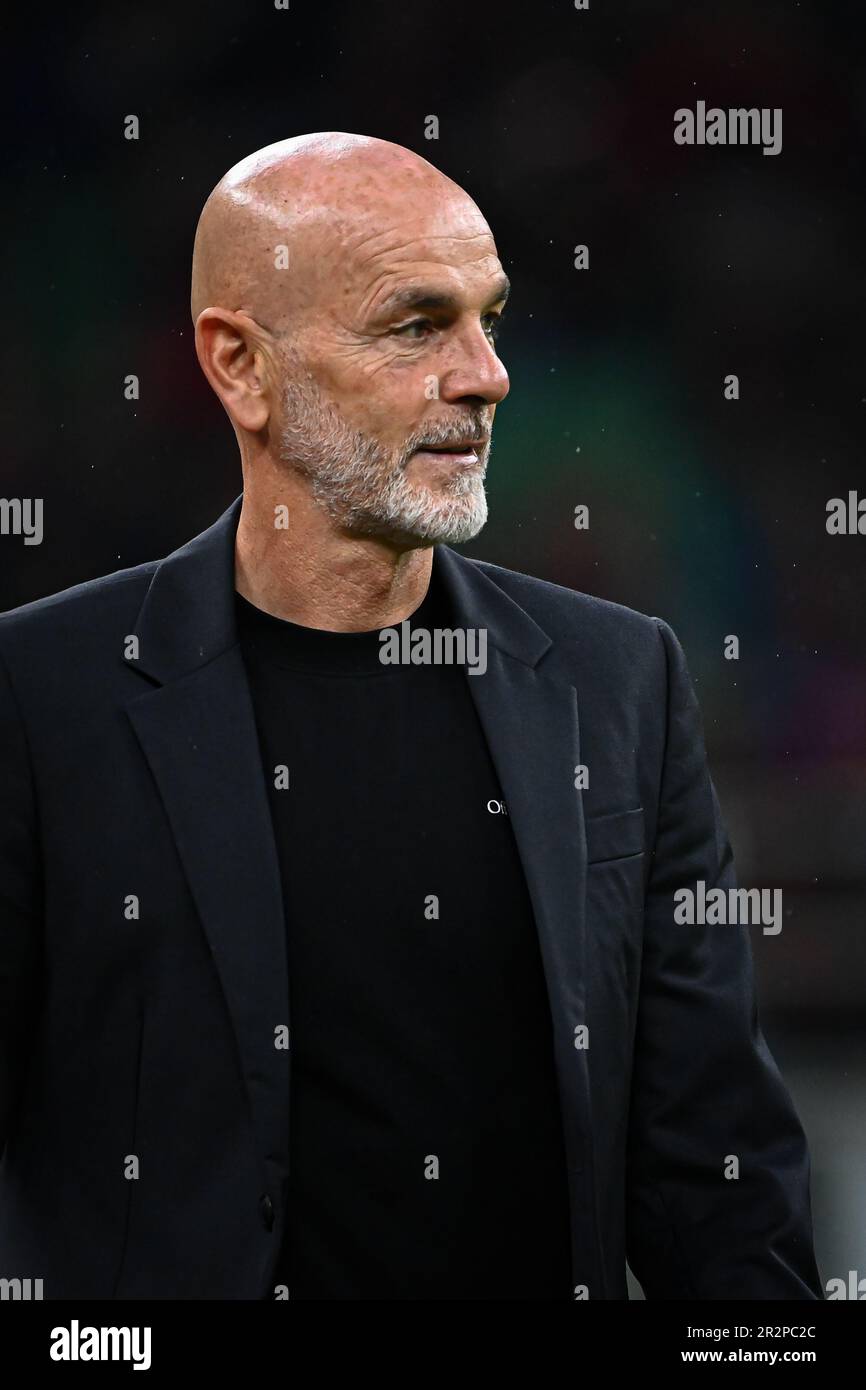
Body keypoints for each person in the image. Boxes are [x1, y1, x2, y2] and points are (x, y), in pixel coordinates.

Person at [0, 133, 822, 1299]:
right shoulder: (40, 696)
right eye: (416, 325)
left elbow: (716, 1175)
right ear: (239, 365)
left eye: (489, 318)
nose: (486, 375)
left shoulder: (616, 682)